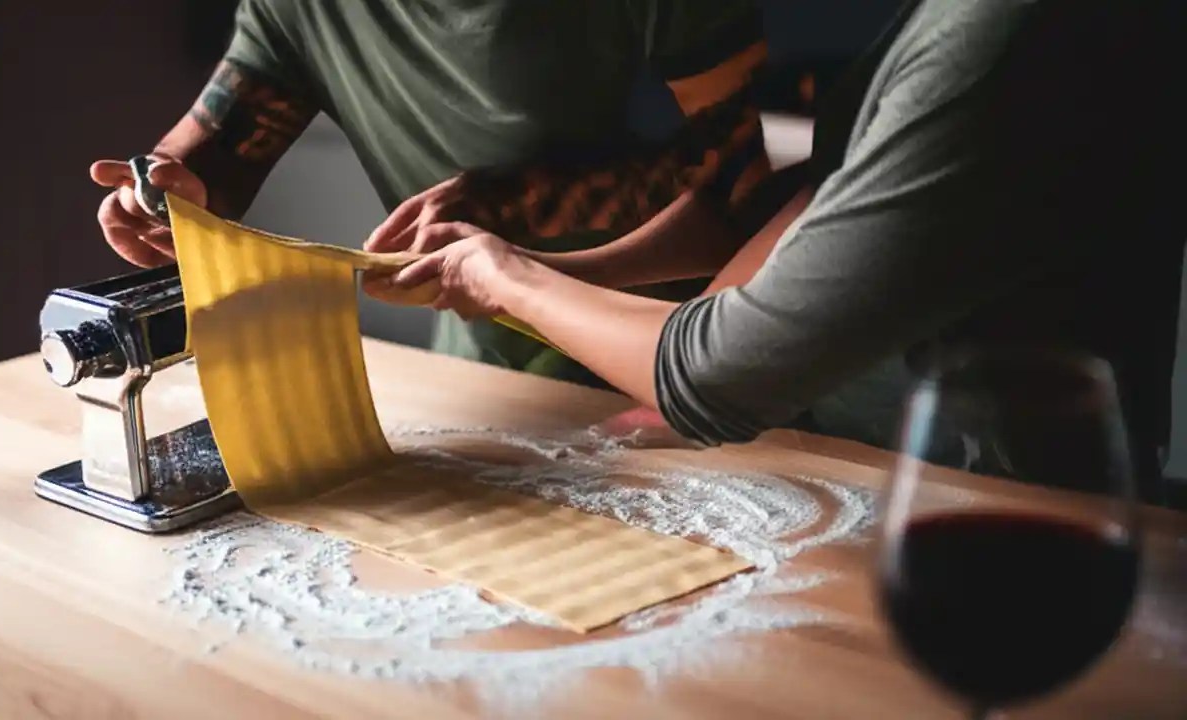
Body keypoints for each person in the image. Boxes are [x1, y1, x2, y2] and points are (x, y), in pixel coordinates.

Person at [371, 0, 1185, 503]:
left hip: (1009, 528)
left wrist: (506, 278)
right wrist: (537, 270)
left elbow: (723, 371)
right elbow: (802, 208)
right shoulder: (949, 25)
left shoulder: (1008, 36)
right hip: (869, 478)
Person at [89, 0, 780, 388]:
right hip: (485, 364)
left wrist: (525, 208)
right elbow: (212, 158)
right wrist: (161, 191)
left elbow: (766, 171)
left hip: (685, 345)